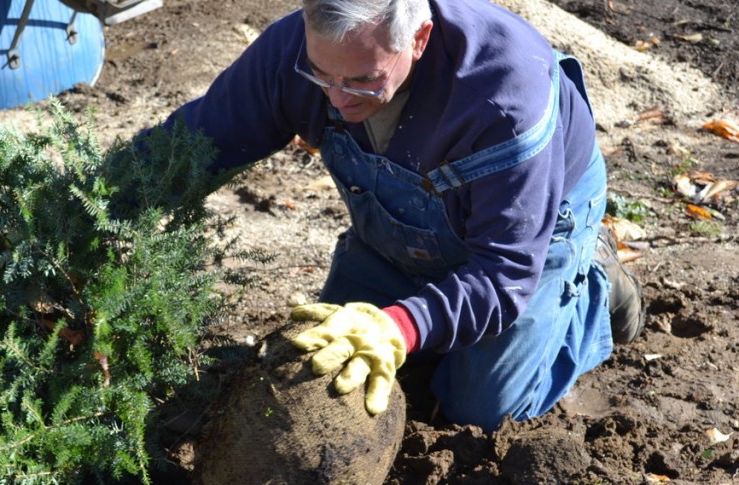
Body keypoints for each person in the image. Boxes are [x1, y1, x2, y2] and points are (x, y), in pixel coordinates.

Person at [159, 0, 645, 432]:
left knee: (480, 410)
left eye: (363, 80)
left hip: (528, 226)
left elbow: (504, 275)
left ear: (419, 38)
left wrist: (398, 327)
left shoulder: (502, 100)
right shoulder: (303, 48)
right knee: (318, 369)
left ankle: (591, 281)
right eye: (320, 76)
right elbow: (193, 144)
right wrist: (93, 210)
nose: (338, 98)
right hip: (400, 231)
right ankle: (421, 296)